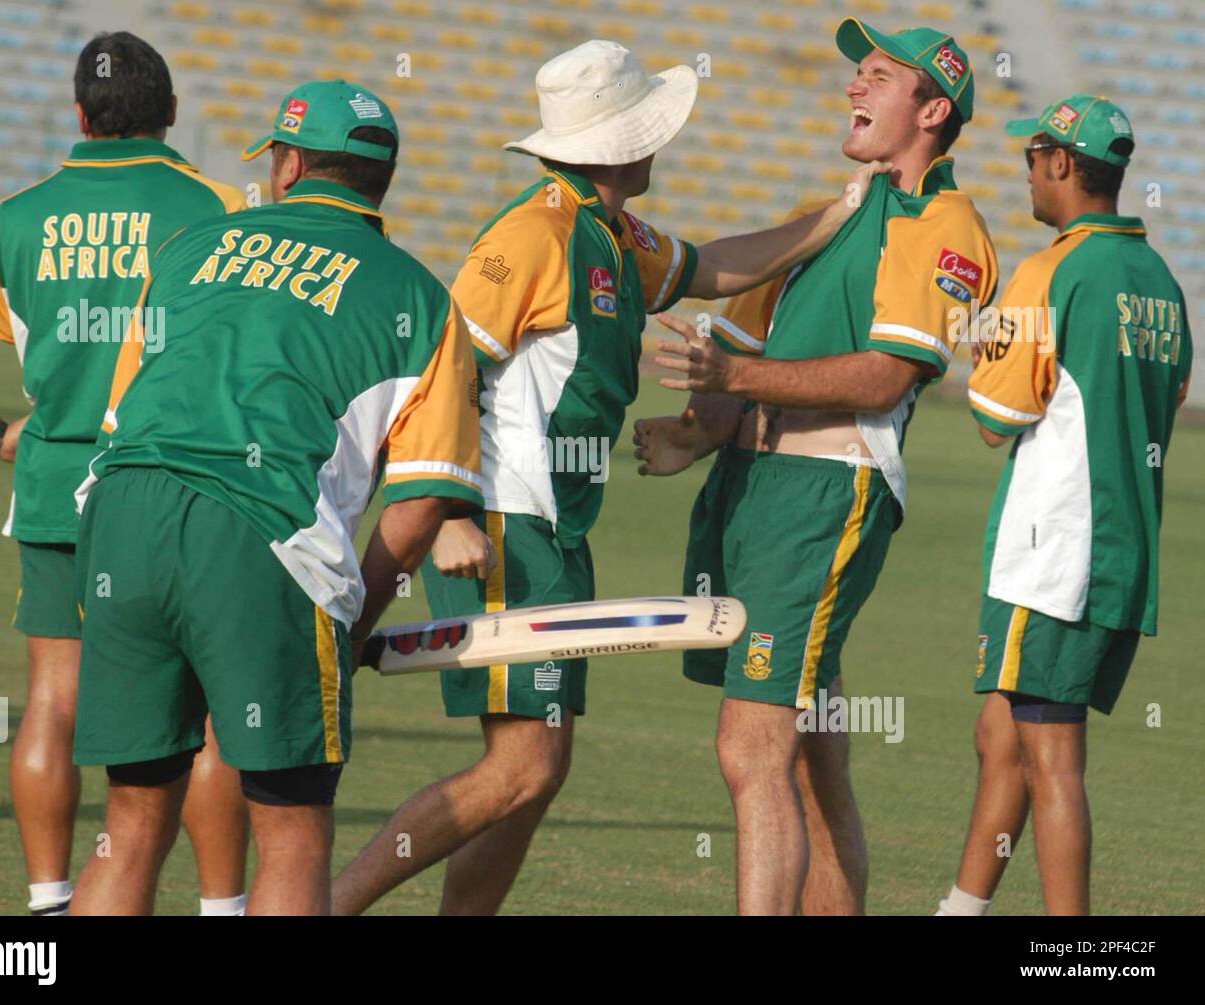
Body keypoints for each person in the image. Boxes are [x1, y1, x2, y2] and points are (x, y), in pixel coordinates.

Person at [331, 38, 888, 916]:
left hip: (554, 532)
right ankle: (321, 904)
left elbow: (714, 267)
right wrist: (446, 514)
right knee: (525, 766)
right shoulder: (533, 233)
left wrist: (831, 220)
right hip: (504, 523)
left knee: (530, 777)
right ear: (628, 143)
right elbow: (448, 371)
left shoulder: (612, 231)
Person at [68, 79, 482, 916]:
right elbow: (420, 504)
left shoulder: (188, 250)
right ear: (382, 180)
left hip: (121, 517)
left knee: (132, 814)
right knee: (292, 827)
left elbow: (118, 417)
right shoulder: (422, 300)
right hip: (264, 537)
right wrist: (351, 617)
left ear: (289, 165)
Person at [633, 19, 997, 915]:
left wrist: (737, 377)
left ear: (933, 109)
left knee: (751, 747)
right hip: (751, 492)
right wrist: (699, 431)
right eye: (856, 73)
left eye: (877, 75)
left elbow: (883, 376)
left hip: (825, 494)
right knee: (811, 755)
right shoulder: (829, 208)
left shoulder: (947, 227)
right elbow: (747, 345)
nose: (854, 87)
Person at [0, 31, 248, 917]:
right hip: (182, 488)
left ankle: (51, 902)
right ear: (171, 112)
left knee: (54, 698)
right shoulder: (215, 207)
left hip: (58, 483)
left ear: (79, 114)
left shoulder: (18, 214)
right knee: (211, 709)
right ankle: (222, 906)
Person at [936, 95, 1192, 917]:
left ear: (1060, 163)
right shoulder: (1161, 281)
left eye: (1032, 156)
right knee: (1002, 733)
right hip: (1121, 547)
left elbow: (993, 417)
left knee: (1051, 758)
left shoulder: (1051, 268)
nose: (1026, 173)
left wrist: (984, 344)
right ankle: (961, 908)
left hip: (1054, 548)